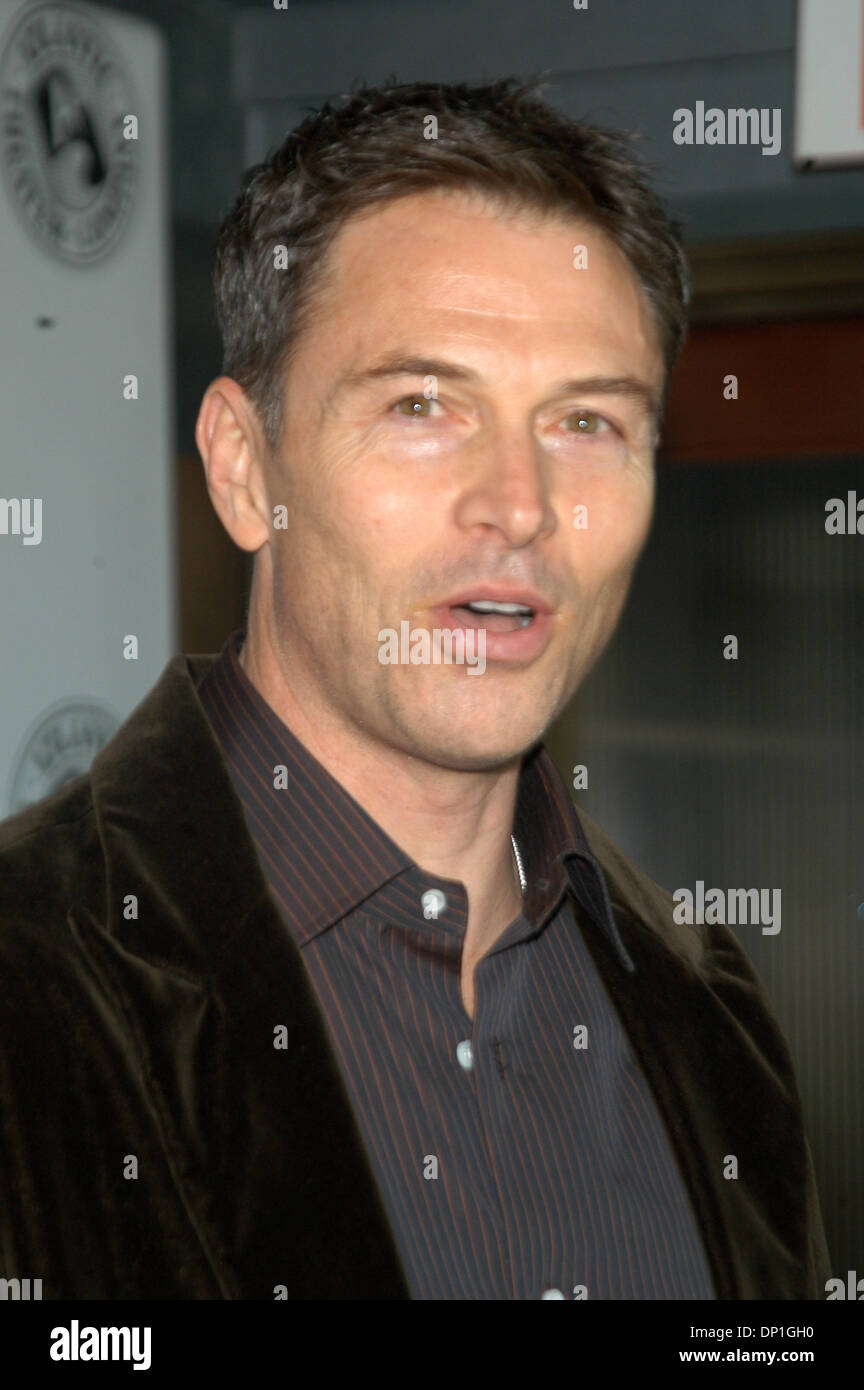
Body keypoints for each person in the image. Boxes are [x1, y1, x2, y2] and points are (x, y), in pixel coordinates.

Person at [0, 77, 829, 1300]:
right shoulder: (30, 985)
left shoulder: (711, 1015)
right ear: (243, 469)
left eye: (588, 422)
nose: (522, 504)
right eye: (424, 405)